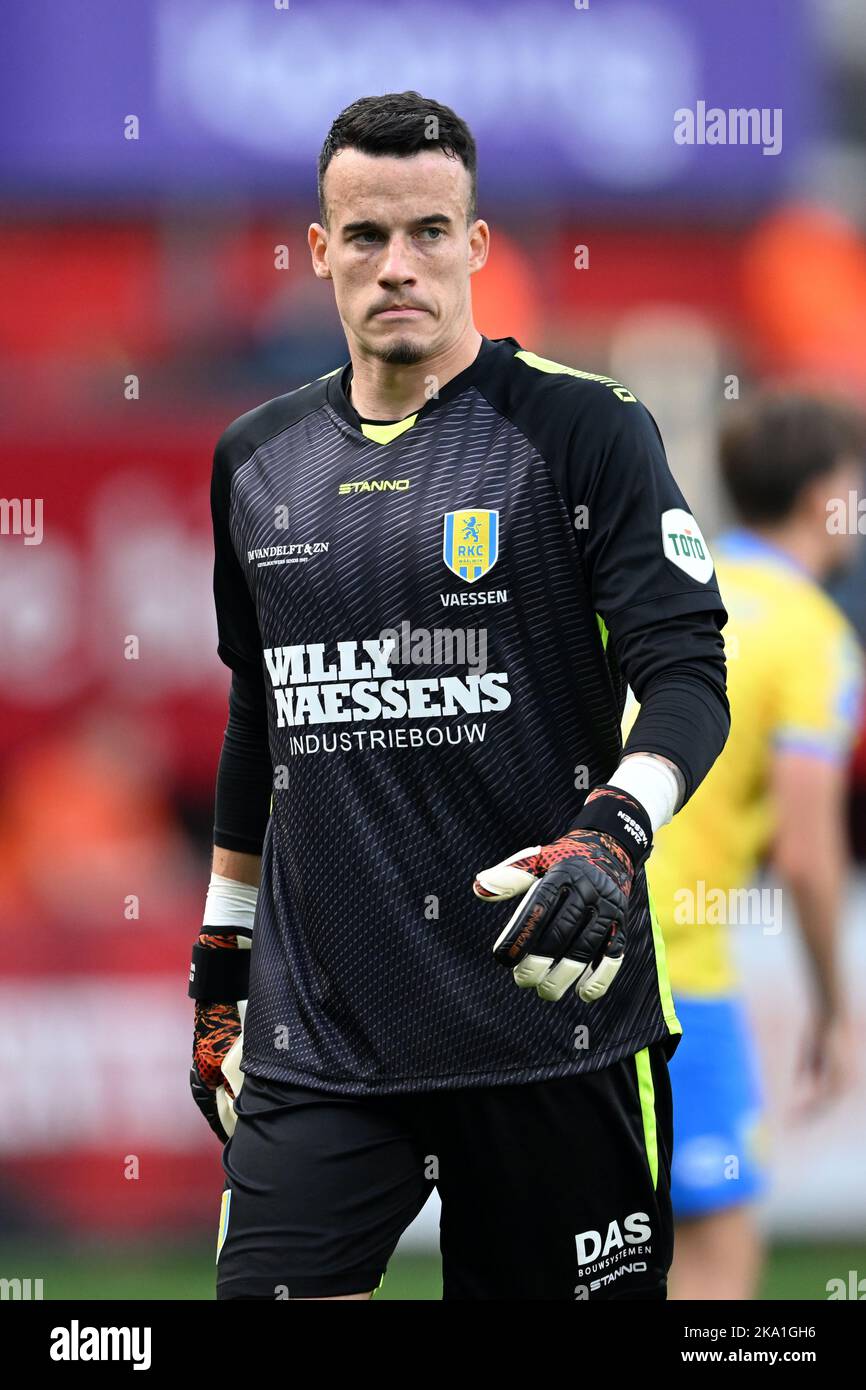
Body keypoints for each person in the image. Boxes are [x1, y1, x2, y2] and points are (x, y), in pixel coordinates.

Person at [189, 90, 730, 1301]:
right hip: (322, 1040)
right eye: (366, 236)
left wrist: (612, 833)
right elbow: (255, 712)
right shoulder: (252, 460)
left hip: (551, 1013)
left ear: (476, 247)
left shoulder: (585, 429)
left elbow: (687, 673)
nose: (399, 265)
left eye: (430, 231)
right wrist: (221, 962)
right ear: (318, 251)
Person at [628, 390, 865, 1300]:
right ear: (822, 495)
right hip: (674, 970)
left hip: (568, 938)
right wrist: (836, 1009)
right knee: (718, 1254)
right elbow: (808, 855)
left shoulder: (674, 590)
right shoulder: (813, 634)